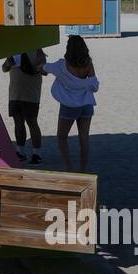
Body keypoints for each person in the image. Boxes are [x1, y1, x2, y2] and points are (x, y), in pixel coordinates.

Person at [43, 35, 99, 172]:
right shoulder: (88, 64)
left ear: (69, 48)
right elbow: (94, 86)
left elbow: (44, 68)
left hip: (69, 106)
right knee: (84, 138)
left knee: (62, 137)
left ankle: (69, 167)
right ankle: (83, 169)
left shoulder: (61, 65)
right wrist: (82, 84)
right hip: (86, 105)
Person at [1, 48, 46, 163]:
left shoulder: (37, 49)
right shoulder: (14, 49)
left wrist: (36, 67)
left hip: (30, 93)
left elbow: (44, 69)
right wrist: (8, 63)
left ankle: (37, 154)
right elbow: (4, 68)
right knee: (18, 122)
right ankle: (20, 151)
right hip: (15, 93)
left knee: (32, 122)